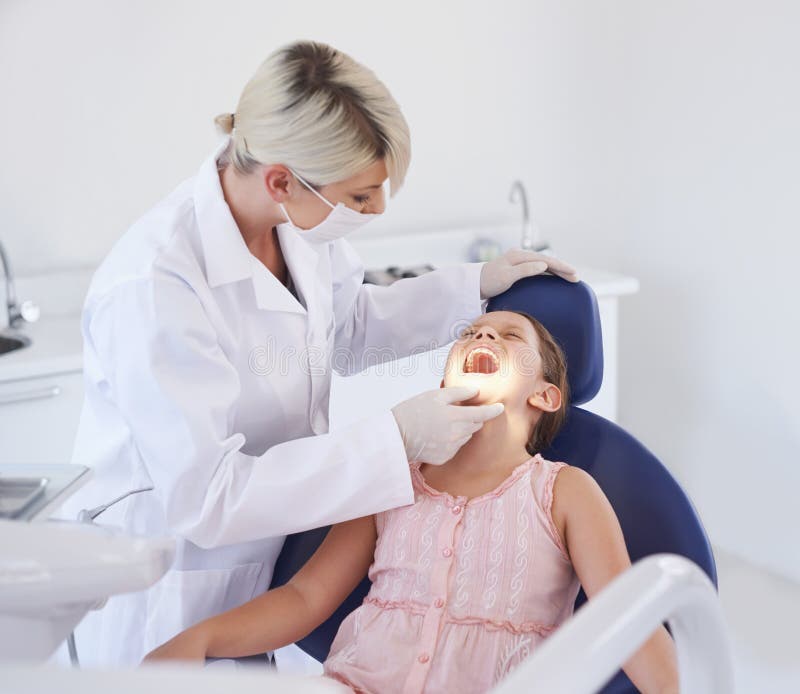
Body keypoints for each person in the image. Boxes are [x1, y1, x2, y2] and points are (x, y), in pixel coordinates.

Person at [63, 39, 579, 667]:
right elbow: (207, 499)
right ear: (281, 179)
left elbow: (347, 320)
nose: (376, 210)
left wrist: (472, 290)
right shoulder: (154, 285)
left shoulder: (297, 225)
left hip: (258, 564)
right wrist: (395, 441)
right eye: (360, 197)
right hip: (168, 583)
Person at [143, 310, 679, 694]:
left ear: (544, 395)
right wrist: (201, 639)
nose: (484, 332)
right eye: (470, 333)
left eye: (510, 335)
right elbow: (305, 598)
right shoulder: (388, 475)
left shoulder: (564, 491)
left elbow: (629, 622)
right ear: (446, 378)